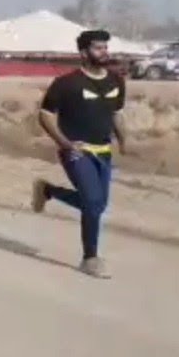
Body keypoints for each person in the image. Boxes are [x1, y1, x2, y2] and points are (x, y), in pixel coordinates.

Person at [33, 29, 127, 279]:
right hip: (77, 151)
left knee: (97, 204)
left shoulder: (116, 81)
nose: (104, 52)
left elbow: (117, 112)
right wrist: (64, 143)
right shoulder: (66, 84)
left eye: (106, 47)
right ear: (83, 53)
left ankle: (48, 191)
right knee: (94, 202)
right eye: (98, 48)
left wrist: (124, 138)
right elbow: (45, 115)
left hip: (104, 151)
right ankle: (90, 258)